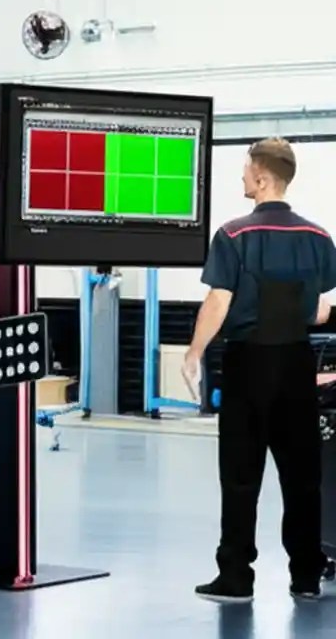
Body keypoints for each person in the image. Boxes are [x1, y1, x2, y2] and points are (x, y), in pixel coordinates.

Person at [182, 137, 336, 603]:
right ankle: (306, 576)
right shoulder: (319, 237)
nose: (242, 177)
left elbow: (218, 301)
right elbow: (318, 310)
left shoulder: (232, 235)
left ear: (262, 177)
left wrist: (193, 354)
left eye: (246, 168)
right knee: (302, 477)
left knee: (241, 476)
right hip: (295, 365)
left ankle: (236, 577)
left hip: (248, 364)